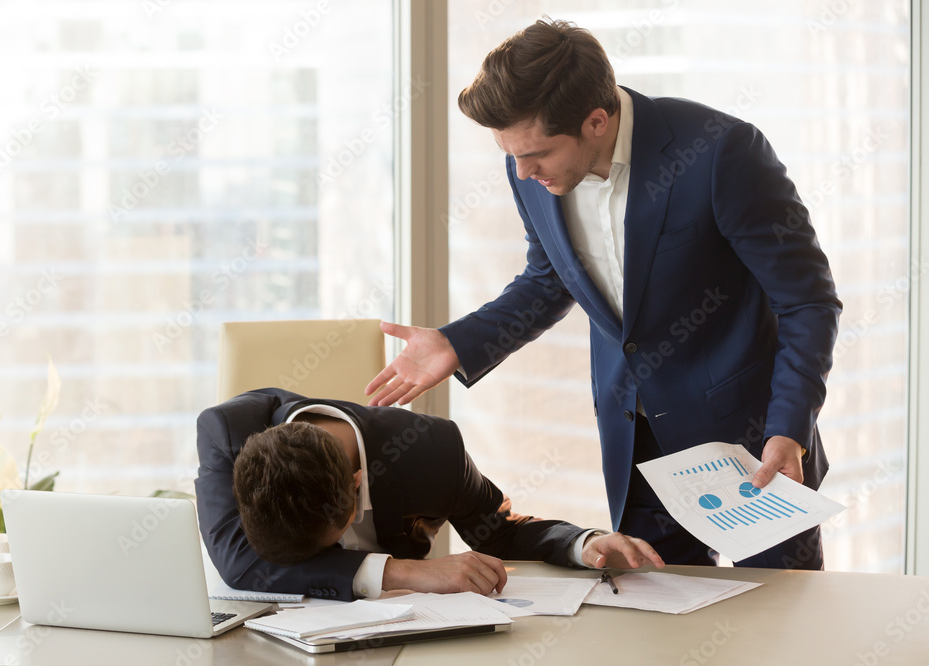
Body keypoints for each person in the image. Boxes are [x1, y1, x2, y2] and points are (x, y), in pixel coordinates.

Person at [365, 18, 841, 569]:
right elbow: (548, 281)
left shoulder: (721, 152)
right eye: (510, 154)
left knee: (780, 630)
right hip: (637, 447)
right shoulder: (531, 165)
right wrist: (457, 343)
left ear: (597, 120)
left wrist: (790, 428)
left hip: (756, 445)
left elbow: (807, 301)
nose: (522, 172)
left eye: (536, 154)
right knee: (658, 629)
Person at [195, 387, 663, 601]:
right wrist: (407, 573)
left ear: (357, 488)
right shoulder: (228, 436)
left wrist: (584, 543)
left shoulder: (431, 451)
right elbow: (239, 564)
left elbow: (497, 533)